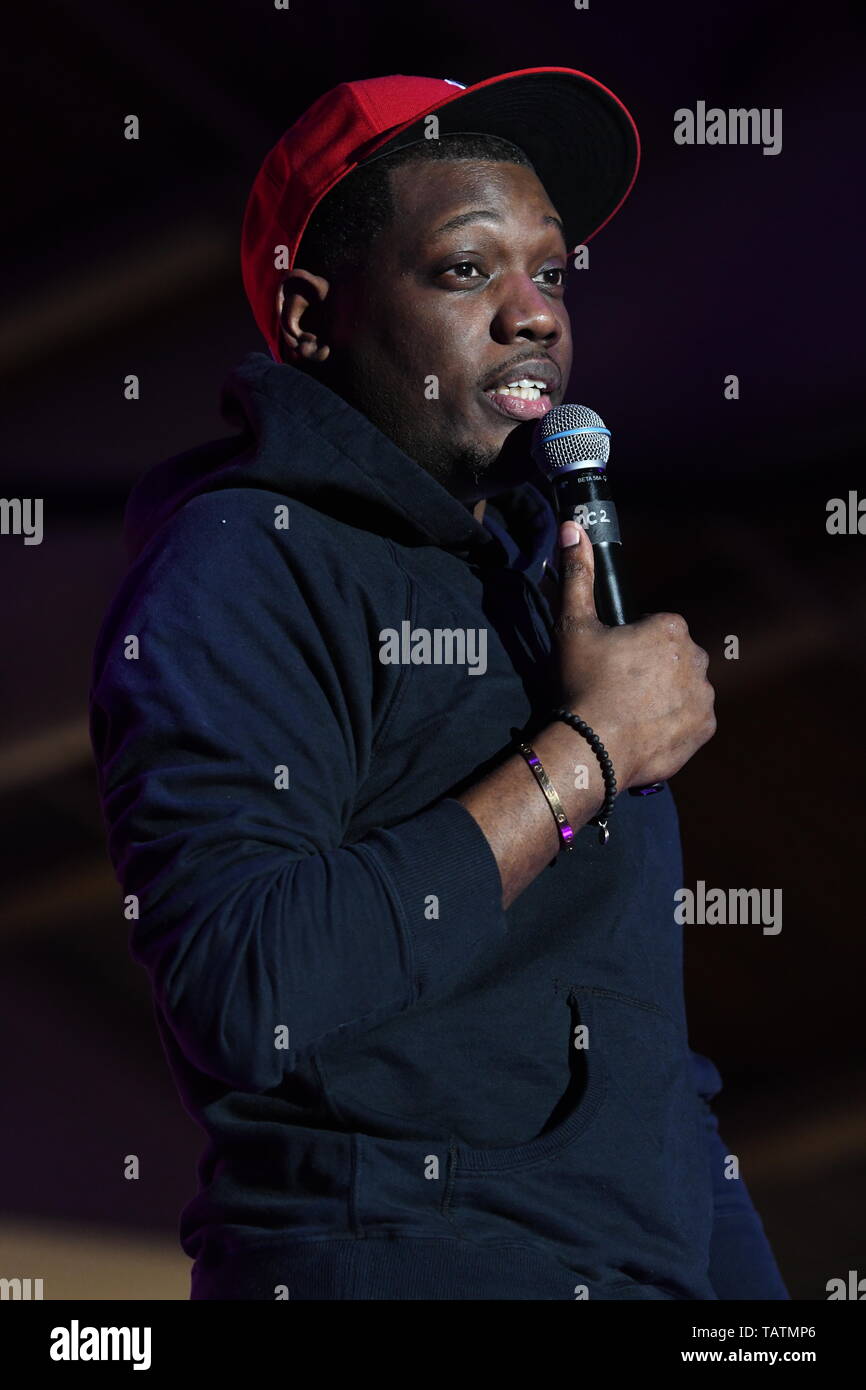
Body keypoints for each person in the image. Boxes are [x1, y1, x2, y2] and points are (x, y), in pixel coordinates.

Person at [89, 69, 790, 1300]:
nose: (533, 314)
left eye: (552, 272)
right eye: (467, 270)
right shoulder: (244, 561)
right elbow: (250, 986)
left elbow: (637, 1059)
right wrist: (585, 755)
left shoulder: (537, 584)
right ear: (313, 317)